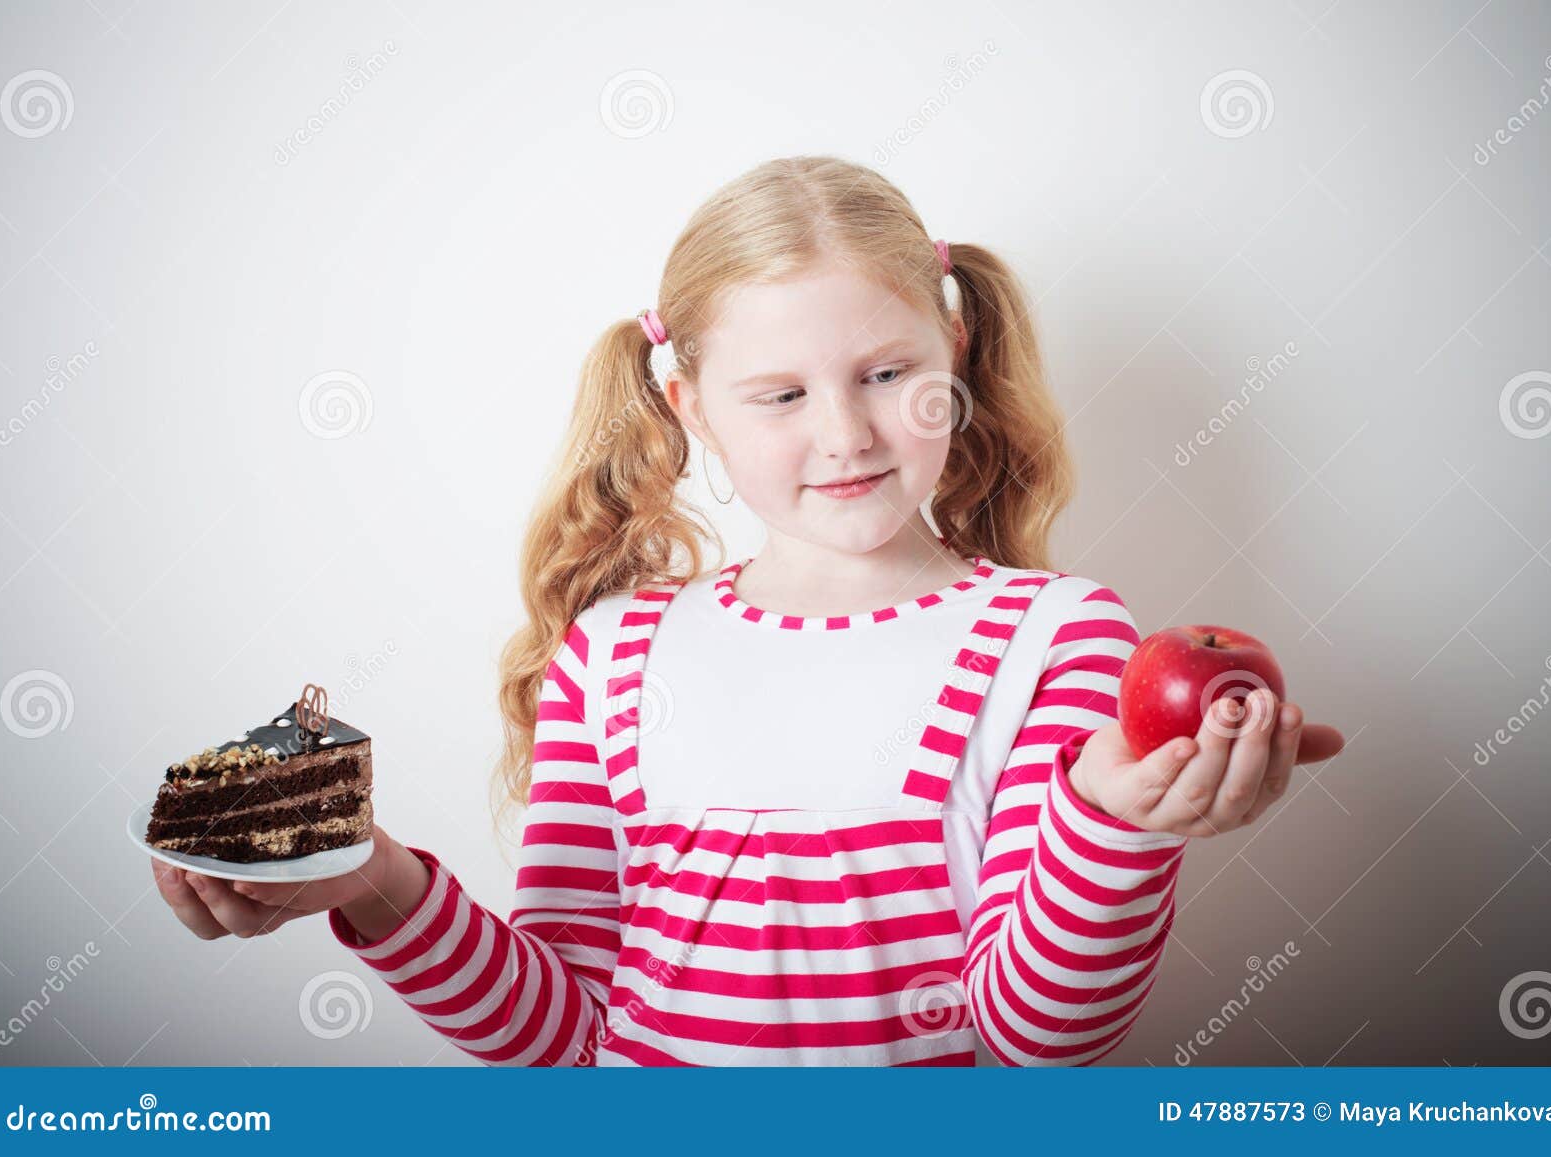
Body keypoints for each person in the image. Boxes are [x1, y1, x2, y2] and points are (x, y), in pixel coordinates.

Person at [153, 155, 1345, 1066]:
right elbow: (561, 1036)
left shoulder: (1059, 639)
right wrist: (368, 880)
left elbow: (1038, 1040)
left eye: (885, 373)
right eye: (779, 392)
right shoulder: (613, 658)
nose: (845, 432)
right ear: (690, 404)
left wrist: (1114, 822)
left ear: (956, 348)